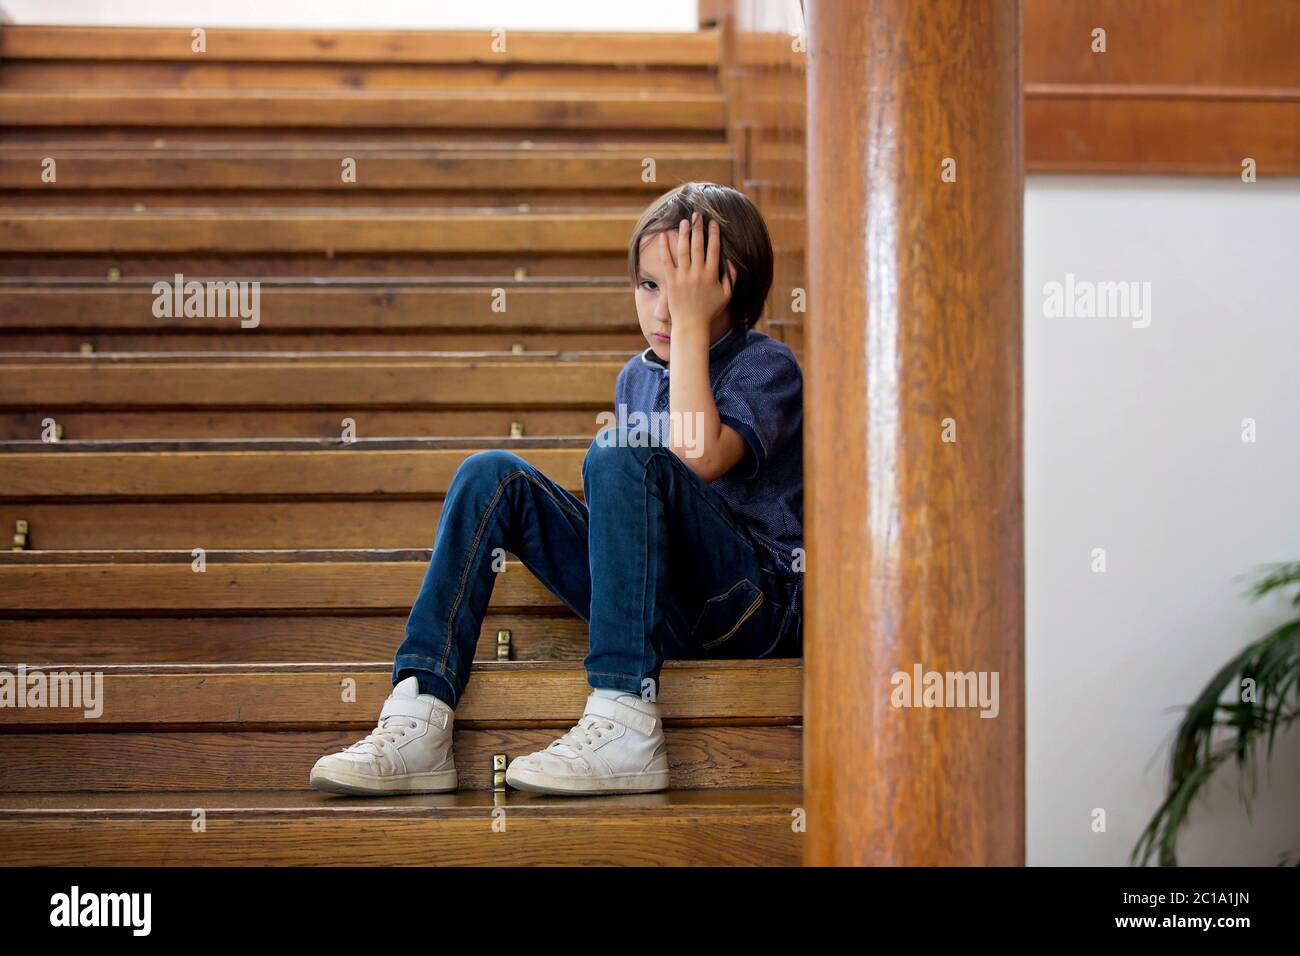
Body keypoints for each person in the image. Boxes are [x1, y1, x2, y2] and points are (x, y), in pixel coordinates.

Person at [310, 182, 804, 796]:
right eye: (650, 286)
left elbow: (699, 455)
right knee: (489, 474)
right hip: (666, 608)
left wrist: (694, 329)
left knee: (618, 450)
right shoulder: (635, 377)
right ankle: (420, 712)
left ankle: (624, 717)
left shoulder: (767, 366)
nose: (663, 310)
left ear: (735, 290)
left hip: (755, 607)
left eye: (684, 291)